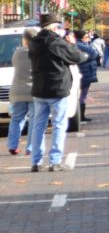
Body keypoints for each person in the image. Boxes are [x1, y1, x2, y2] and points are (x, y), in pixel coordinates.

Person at [29, 13, 88, 172]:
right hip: (57, 88)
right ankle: (54, 161)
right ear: (55, 26)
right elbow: (78, 57)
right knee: (59, 125)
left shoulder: (34, 43)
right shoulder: (57, 43)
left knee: (38, 126)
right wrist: (72, 44)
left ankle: (36, 161)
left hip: (39, 89)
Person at [8, 27, 38, 156]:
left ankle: (13, 145)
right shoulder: (38, 52)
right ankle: (30, 147)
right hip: (34, 91)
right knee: (34, 119)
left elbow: (15, 64)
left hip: (17, 90)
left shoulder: (18, 52)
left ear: (24, 39)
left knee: (16, 119)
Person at [74, 30, 99, 123]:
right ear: (82, 37)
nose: (88, 38)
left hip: (85, 72)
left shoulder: (81, 44)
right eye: (86, 36)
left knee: (82, 95)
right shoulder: (79, 45)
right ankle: (80, 116)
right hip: (83, 72)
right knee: (81, 95)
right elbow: (94, 53)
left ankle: (81, 115)